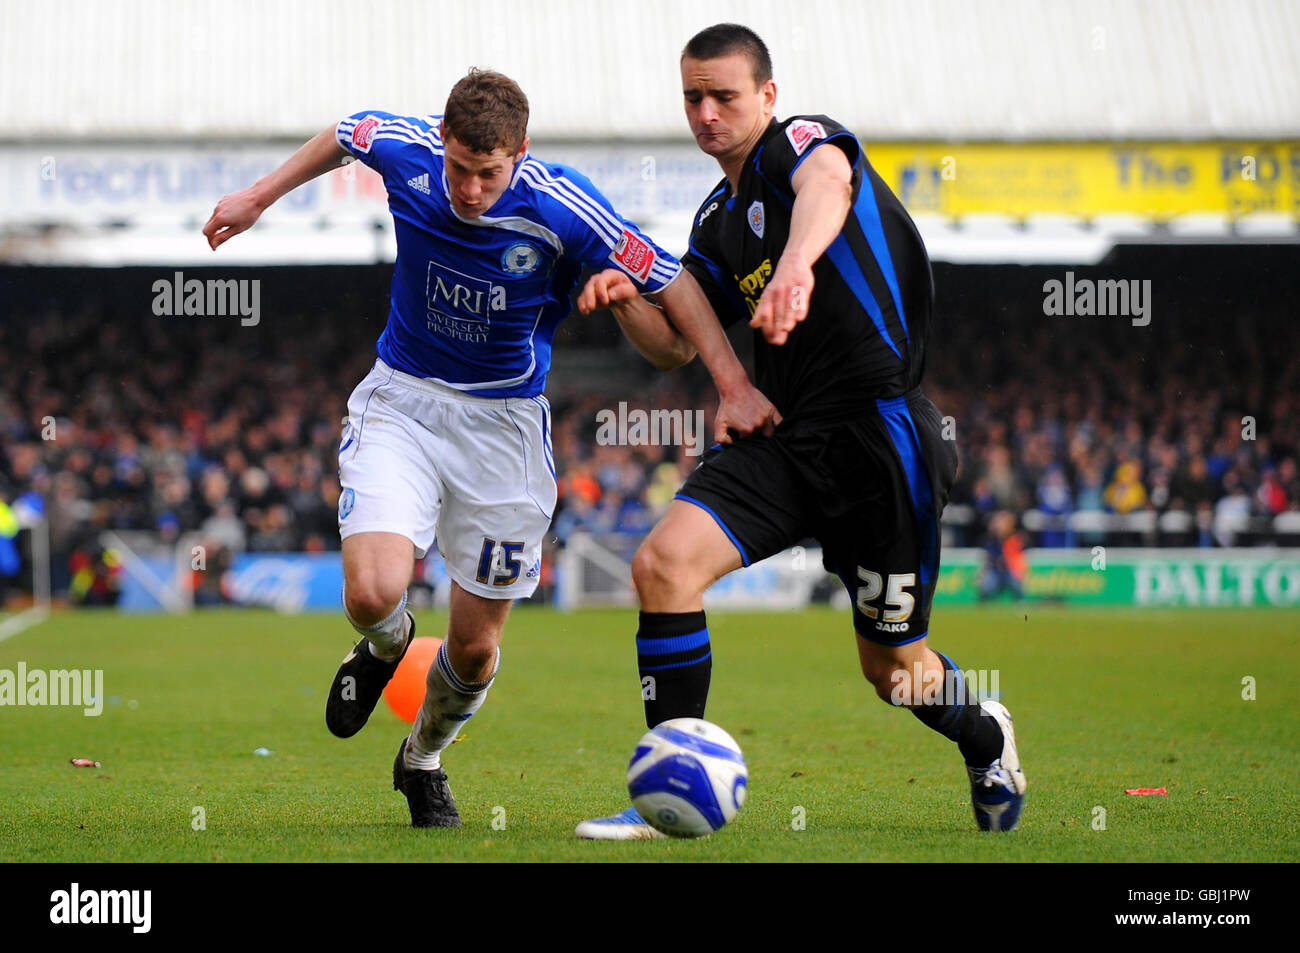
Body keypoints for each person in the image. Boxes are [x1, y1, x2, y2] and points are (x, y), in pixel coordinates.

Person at [203, 69, 775, 828]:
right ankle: (385, 646)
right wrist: (257, 197)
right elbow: (346, 132)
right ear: (441, 142)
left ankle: (423, 758)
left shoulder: (565, 208)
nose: (471, 190)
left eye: (489, 173)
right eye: (460, 169)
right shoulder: (406, 153)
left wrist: (732, 383)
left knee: (473, 651)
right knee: (371, 594)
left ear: (521, 153)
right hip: (402, 402)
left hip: (503, 431)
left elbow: (673, 285)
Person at [574, 24, 1027, 837]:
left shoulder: (797, 147)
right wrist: (628, 301)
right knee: (664, 565)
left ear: (768, 97)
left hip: (881, 437)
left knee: (891, 672)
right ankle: (666, 787)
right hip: (780, 434)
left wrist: (793, 268)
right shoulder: (717, 218)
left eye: (724, 96)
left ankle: (986, 733)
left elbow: (831, 183)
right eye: (692, 98)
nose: (706, 113)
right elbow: (677, 339)